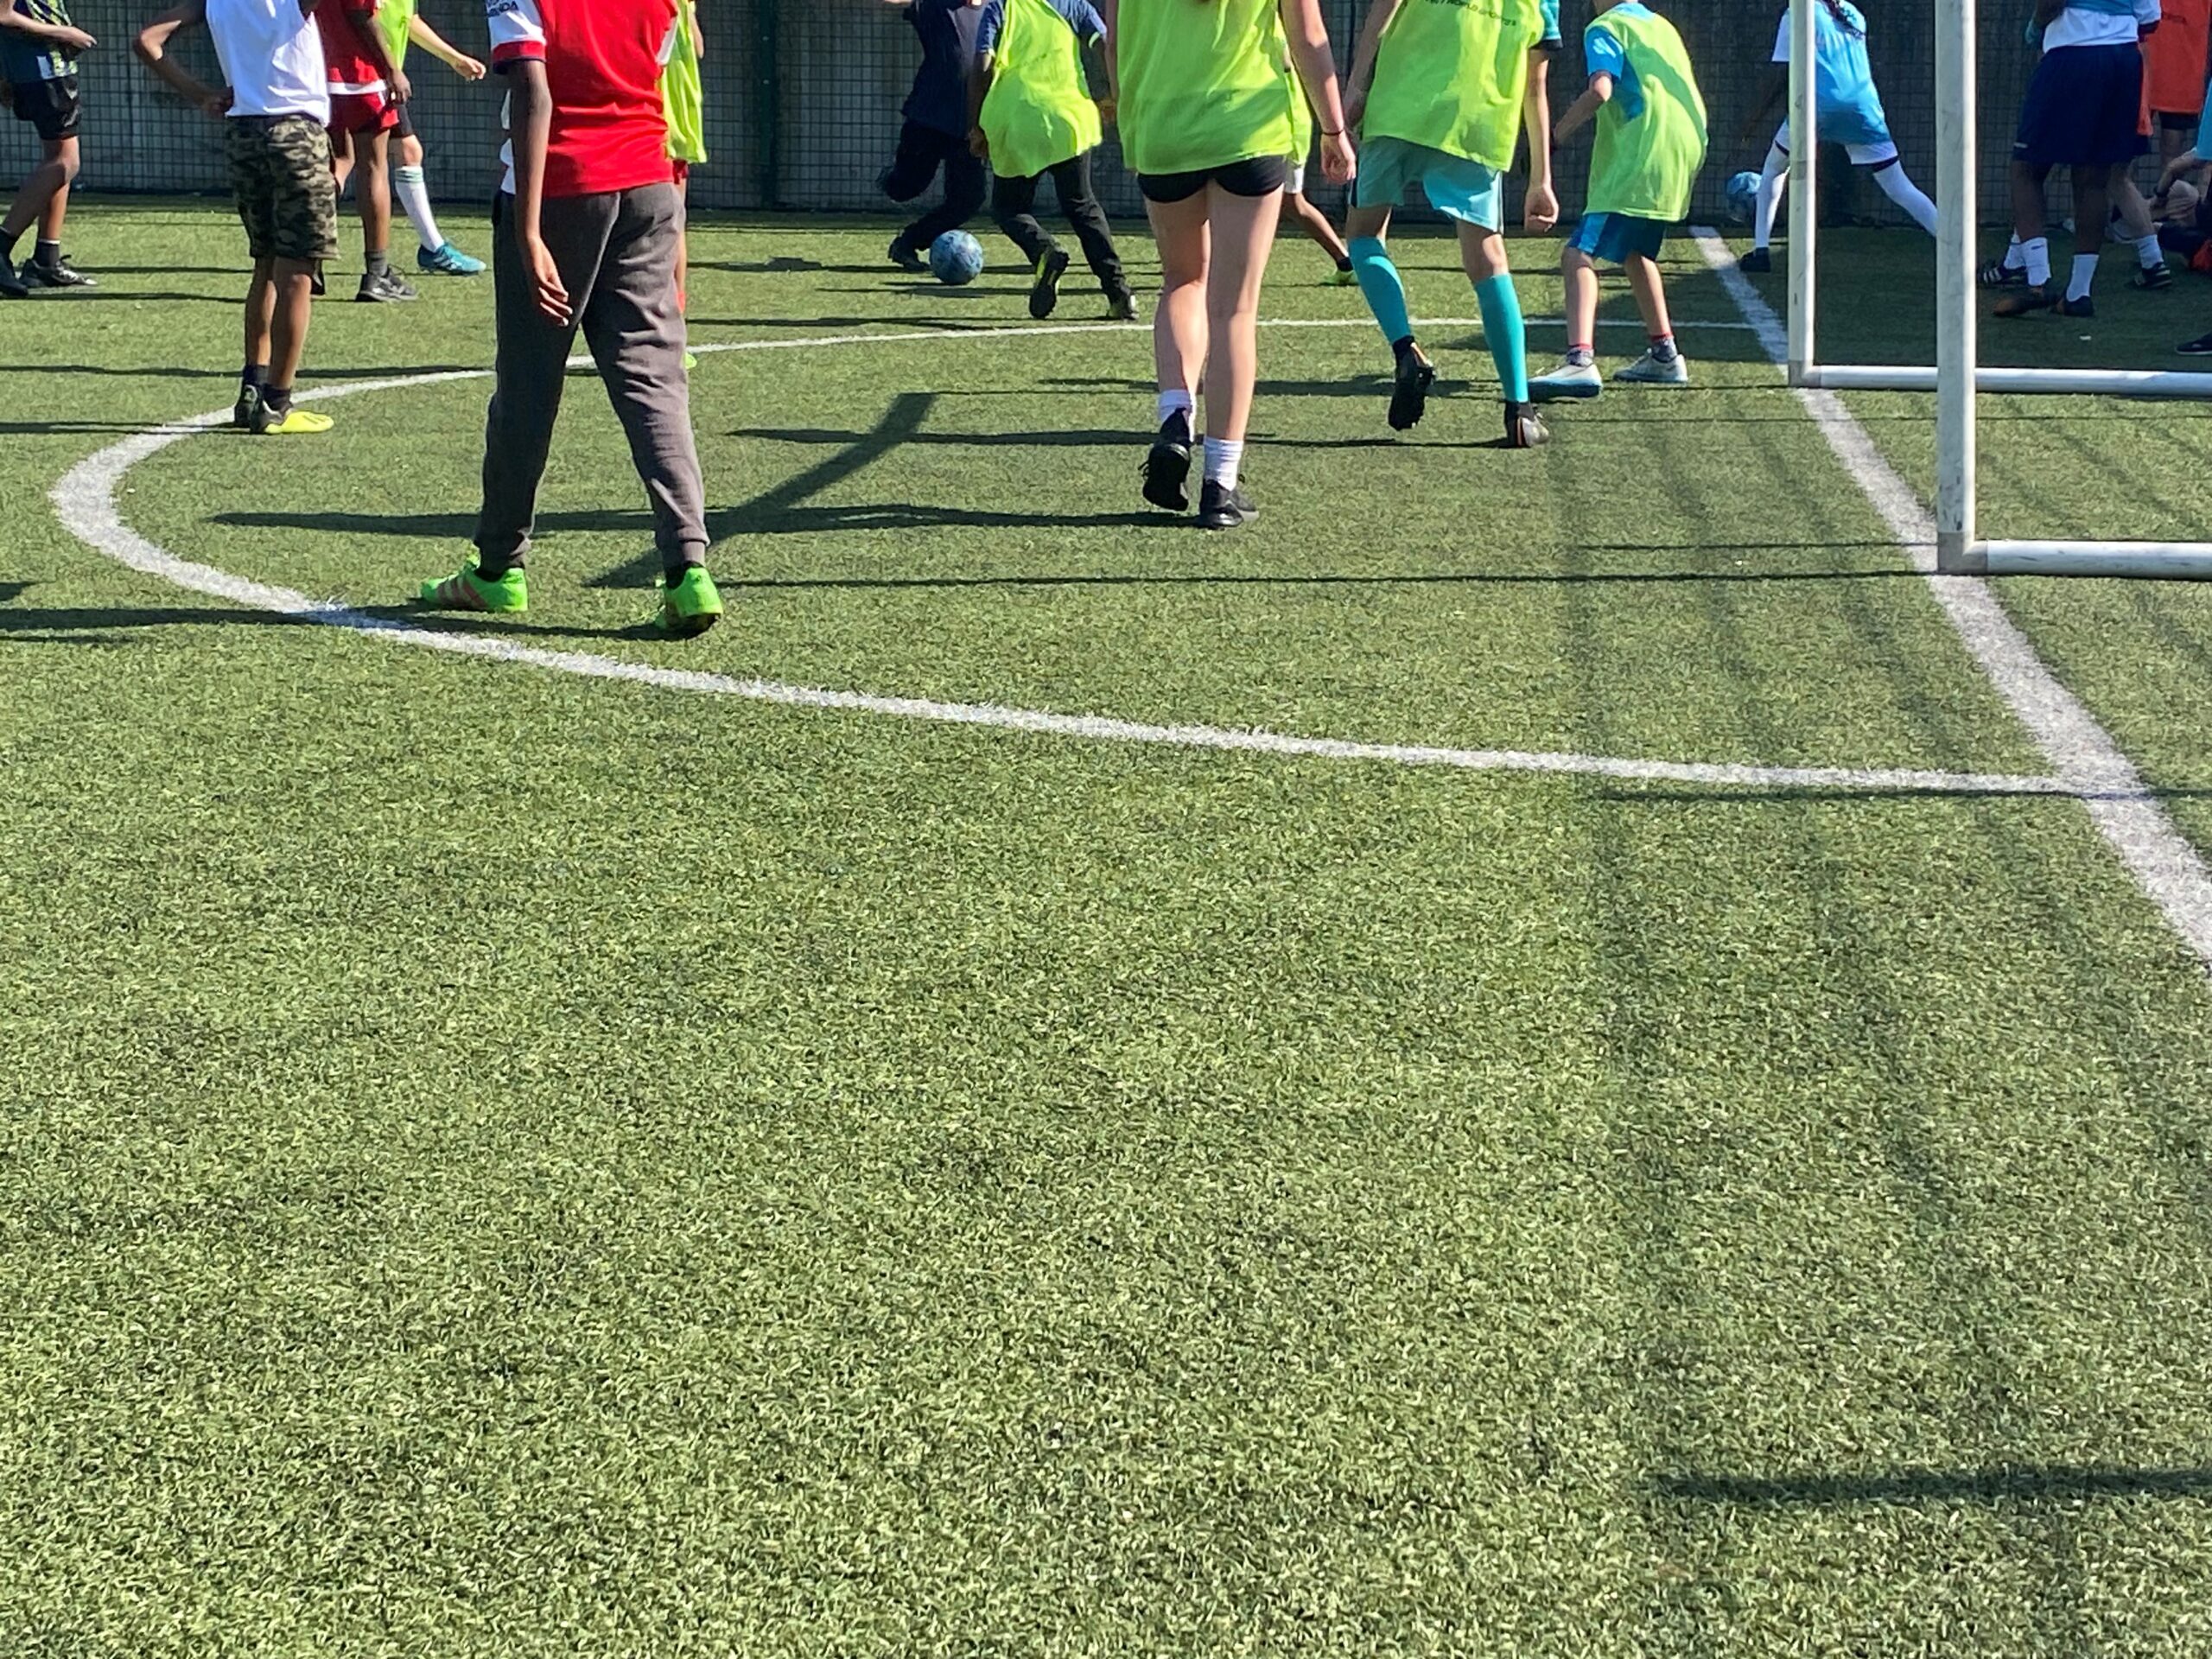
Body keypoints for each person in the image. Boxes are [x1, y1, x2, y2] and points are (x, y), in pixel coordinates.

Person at [416, 0, 723, 639]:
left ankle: (498, 568)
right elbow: (666, 65)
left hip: (561, 191)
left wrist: (528, 230)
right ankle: (688, 567)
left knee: (527, 388)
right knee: (655, 384)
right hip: (650, 186)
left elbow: (534, 90)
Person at [1107, 0, 1354, 531]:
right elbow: (1307, 32)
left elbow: (1115, 41)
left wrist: (1134, 119)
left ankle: (1175, 417)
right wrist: (1334, 130)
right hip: (1248, 122)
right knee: (1234, 310)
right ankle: (1219, 484)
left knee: (1182, 280)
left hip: (1162, 123)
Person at [1341, 0, 1560, 448]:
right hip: (1479, 125)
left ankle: (1406, 349)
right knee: (1488, 260)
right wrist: (1540, 178)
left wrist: (1357, 87)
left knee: (1363, 235)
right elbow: (1535, 85)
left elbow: (1383, 11)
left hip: (1400, 106)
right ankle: (1519, 409)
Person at [136, 0, 339, 435]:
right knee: (297, 271)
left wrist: (201, 94)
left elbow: (147, 41)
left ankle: (252, 387)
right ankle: (278, 403)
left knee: (265, 263)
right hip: (296, 133)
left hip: (243, 133)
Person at [1531, 0, 1707, 399]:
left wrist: (1552, 139)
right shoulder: (1662, 26)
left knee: (1577, 254)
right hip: (1682, 150)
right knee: (1636, 253)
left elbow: (1600, 90)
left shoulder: (1605, 27)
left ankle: (1579, 360)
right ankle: (1665, 355)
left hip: (1640, 153)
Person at [1985, 0, 2164, 319]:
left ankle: (2038, 281)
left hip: (2073, 55)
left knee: (2026, 168)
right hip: (2125, 61)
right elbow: (2150, 19)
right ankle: (2078, 293)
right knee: (2094, 178)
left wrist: (2037, 26)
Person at [1737, 0, 1937, 274]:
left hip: (1817, 107)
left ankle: (1761, 251)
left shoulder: (1796, 13)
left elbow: (1781, 75)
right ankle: (1956, 246)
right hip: (1863, 109)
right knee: (1898, 186)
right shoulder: (1854, 14)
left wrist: (1752, 121)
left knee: (1774, 168)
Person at [969, 0, 1135, 320]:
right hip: (1069, 120)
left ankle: (1044, 250)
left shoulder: (1001, 6)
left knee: (1009, 209)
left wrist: (975, 125)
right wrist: (1110, 94)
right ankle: (1119, 296)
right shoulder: (1075, 5)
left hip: (1018, 119)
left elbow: (982, 64)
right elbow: (1104, 46)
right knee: (1083, 207)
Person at [374, 0, 487, 276]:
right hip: (362, 78)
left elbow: (410, 21)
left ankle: (432, 248)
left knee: (406, 152)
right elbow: (363, 19)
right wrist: (390, 70)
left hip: (381, 79)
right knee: (346, 161)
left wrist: (454, 58)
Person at [316, 0, 416, 301]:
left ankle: (310, 265)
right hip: (360, 76)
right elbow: (361, 13)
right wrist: (392, 69)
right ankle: (377, 273)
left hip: (317, 76)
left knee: (334, 163)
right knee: (373, 167)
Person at [879, 0, 988, 273]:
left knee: (968, 200)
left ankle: (909, 242)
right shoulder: (935, 5)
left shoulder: (997, 10)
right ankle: (893, 181)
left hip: (970, 126)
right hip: (928, 118)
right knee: (906, 188)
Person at [0, 0, 97, 293]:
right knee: (66, 162)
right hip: (43, 71)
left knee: (58, 158)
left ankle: (46, 260)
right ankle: (3, 242)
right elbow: (3, 16)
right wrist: (64, 33)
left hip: (38, 69)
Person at [1279, 48, 1355, 284]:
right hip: (1263, 126)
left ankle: (1347, 263)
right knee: (1292, 203)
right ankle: (1346, 263)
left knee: (1292, 201)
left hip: (1281, 128)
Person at [662, 0, 703, 361]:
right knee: (674, 226)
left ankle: (666, 339)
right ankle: (674, 337)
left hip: (648, 118)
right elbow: (697, 47)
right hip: (679, 126)